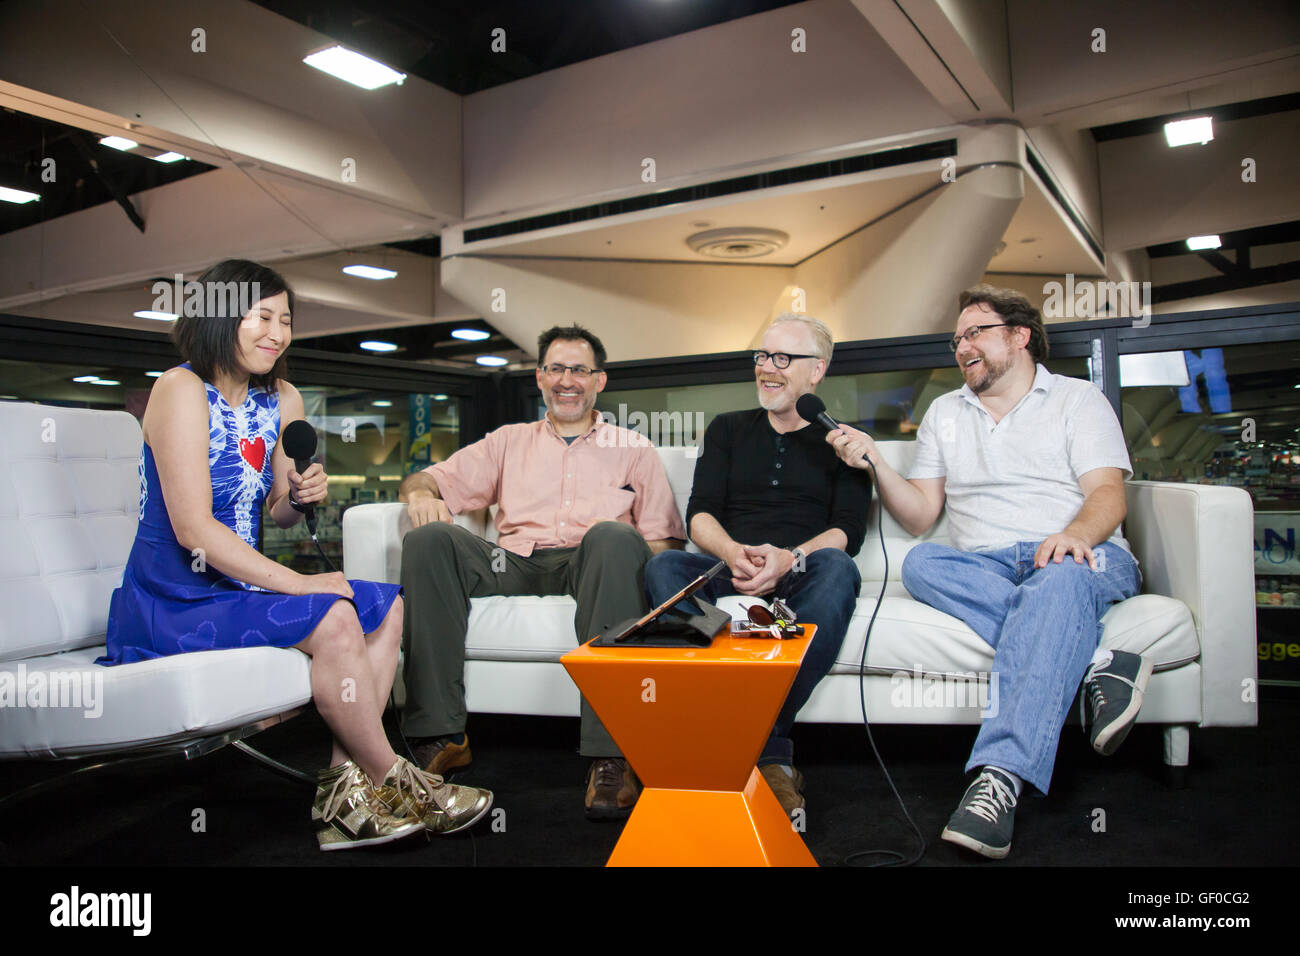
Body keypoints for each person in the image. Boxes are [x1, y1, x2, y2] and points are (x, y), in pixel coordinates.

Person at [100, 259, 492, 851]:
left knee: (384, 605)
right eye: (262, 317)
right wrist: (298, 583)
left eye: (285, 320)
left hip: (238, 588)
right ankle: (396, 778)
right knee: (334, 611)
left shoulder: (282, 396)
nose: (277, 333)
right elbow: (193, 529)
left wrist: (301, 493)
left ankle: (342, 793)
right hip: (173, 597)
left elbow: (281, 508)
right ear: (219, 316)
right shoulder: (179, 389)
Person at [826, 284, 1151, 860]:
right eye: (956, 339)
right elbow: (922, 517)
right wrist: (875, 459)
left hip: (1079, 555)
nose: (961, 346)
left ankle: (998, 778)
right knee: (923, 562)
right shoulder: (945, 412)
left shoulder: (1078, 400)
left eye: (975, 332)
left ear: (1020, 336)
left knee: (1059, 579)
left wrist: (1073, 536)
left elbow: (1108, 494)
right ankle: (1098, 659)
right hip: (986, 565)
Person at [398, 324, 686, 819]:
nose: (566, 379)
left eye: (579, 369)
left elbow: (664, 541)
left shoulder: (633, 447)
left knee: (614, 536)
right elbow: (426, 478)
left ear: (600, 381)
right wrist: (421, 495)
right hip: (512, 562)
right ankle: (438, 736)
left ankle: (611, 755)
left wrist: (615, 542)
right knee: (428, 539)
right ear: (539, 377)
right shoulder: (507, 442)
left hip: (594, 563)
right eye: (556, 368)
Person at [643, 313, 870, 818]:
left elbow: (848, 530)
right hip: (730, 568)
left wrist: (792, 557)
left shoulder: (844, 442)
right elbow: (699, 512)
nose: (768, 368)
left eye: (784, 358)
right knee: (662, 570)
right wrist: (730, 552)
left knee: (837, 568)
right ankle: (770, 757)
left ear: (817, 372)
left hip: (801, 573)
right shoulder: (727, 429)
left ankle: (757, 745)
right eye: (763, 356)